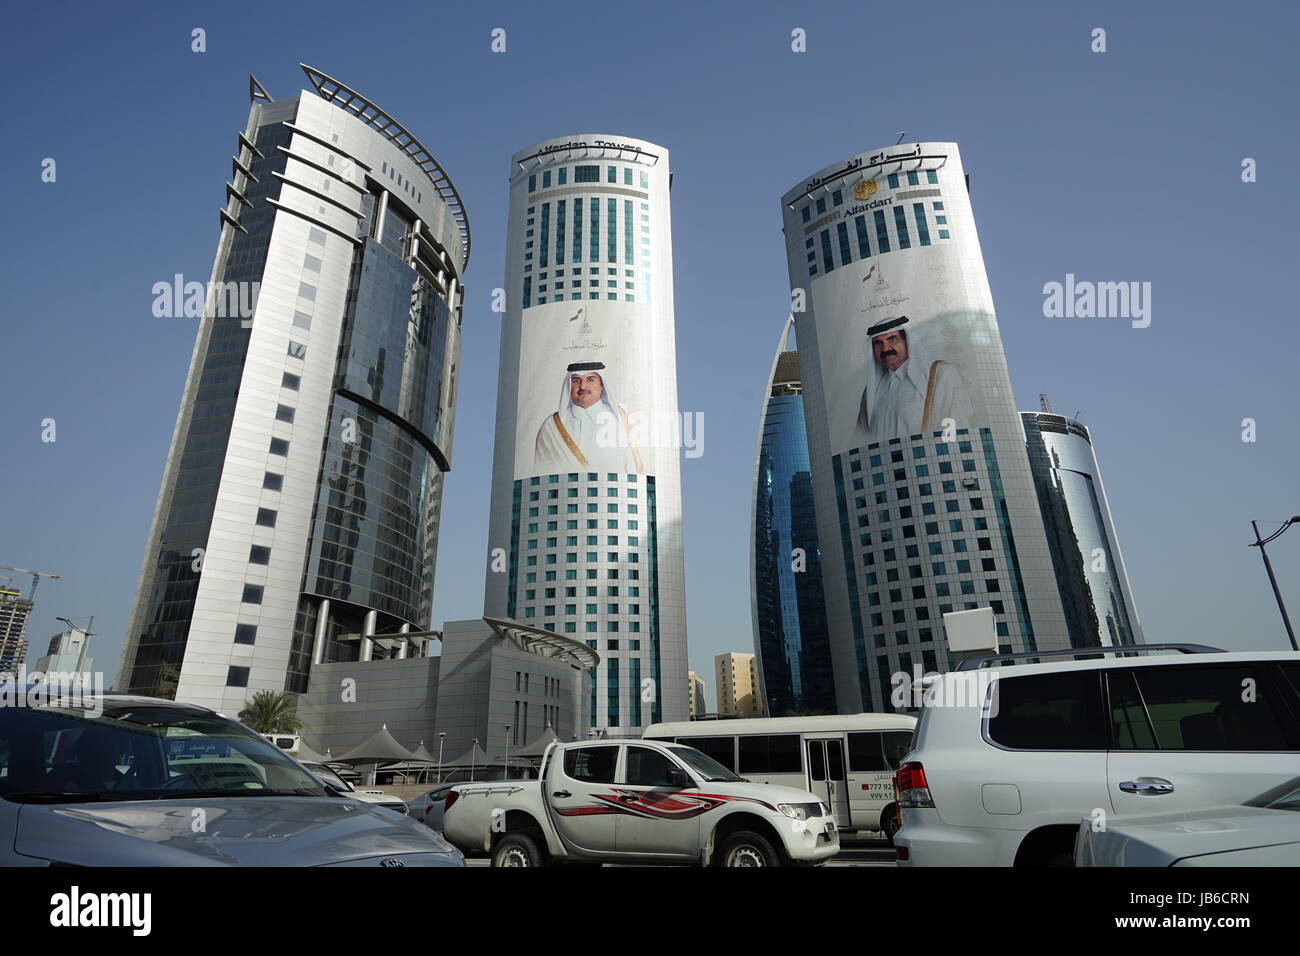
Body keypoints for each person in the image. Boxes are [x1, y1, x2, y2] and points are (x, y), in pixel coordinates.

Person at [857, 316, 973, 441]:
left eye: (891, 339)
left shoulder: (941, 375)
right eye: (878, 343)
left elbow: (958, 429)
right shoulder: (871, 392)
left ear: (907, 341)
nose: (885, 349)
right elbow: (859, 439)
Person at [534, 361, 644, 473]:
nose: (582, 386)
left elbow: (632, 470)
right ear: (569, 386)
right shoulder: (551, 426)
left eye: (590, 380)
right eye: (576, 380)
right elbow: (540, 472)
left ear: (602, 385)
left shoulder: (619, 420)